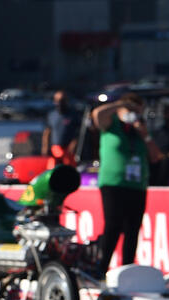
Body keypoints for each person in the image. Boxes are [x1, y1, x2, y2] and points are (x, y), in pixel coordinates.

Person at [91, 93, 162, 278]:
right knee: (113, 225)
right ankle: (102, 267)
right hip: (113, 183)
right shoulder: (112, 124)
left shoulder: (140, 130)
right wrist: (122, 105)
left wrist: (145, 135)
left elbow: (155, 156)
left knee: (132, 228)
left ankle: (127, 270)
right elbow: (97, 114)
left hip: (137, 185)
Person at [41, 90, 80, 166]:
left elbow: (78, 132)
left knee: (69, 169)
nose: (59, 103)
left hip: (68, 150)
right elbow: (47, 131)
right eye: (57, 100)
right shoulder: (51, 115)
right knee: (52, 170)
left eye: (62, 100)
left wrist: (74, 144)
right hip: (55, 149)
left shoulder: (73, 114)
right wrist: (45, 146)